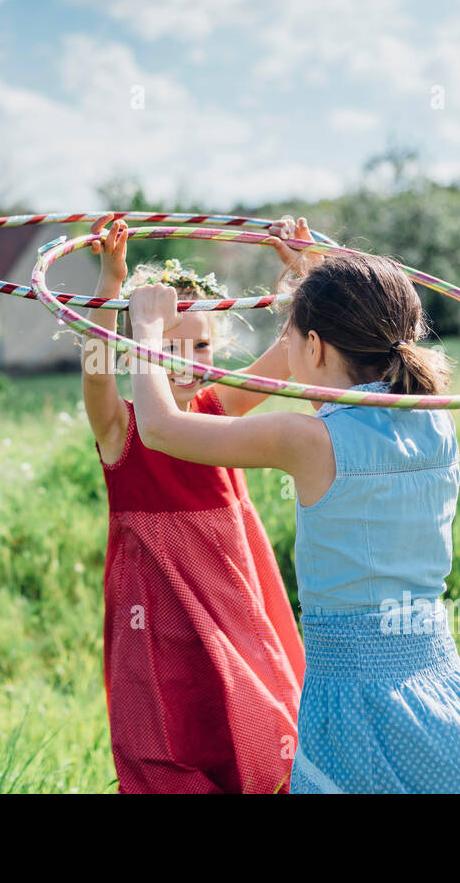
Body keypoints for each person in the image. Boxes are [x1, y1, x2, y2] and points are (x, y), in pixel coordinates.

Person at [125, 221, 460, 793]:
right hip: (440, 683)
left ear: (313, 346)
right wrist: (317, 282)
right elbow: (355, 346)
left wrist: (146, 329)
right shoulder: (434, 416)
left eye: (290, 337)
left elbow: (159, 430)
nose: (286, 348)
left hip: (353, 698)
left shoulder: (308, 441)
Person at [80, 213, 308, 793]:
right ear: (138, 348)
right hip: (158, 609)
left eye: (201, 345)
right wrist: (112, 284)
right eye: (168, 346)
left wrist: (303, 271)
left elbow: (288, 356)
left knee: (262, 706)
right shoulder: (120, 427)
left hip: (232, 592)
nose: (186, 361)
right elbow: (96, 372)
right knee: (169, 726)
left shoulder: (217, 409)